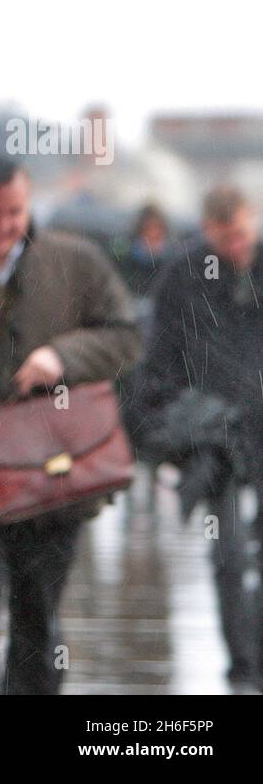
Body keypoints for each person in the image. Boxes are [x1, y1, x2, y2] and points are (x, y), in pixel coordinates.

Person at [0, 167, 141, 694]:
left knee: (38, 630)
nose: (2, 225)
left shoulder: (75, 262)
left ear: (29, 207)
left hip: (52, 483)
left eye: (14, 212)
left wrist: (62, 356)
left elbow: (125, 335)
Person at [137, 185, 262, 692]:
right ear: (208, 230)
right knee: (228, 554)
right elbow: (161, 361)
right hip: (217, 436)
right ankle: (242, 661)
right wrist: (184, 424)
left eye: (241, 234)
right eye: (225, 236)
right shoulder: (182, 277)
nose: (235, 246)